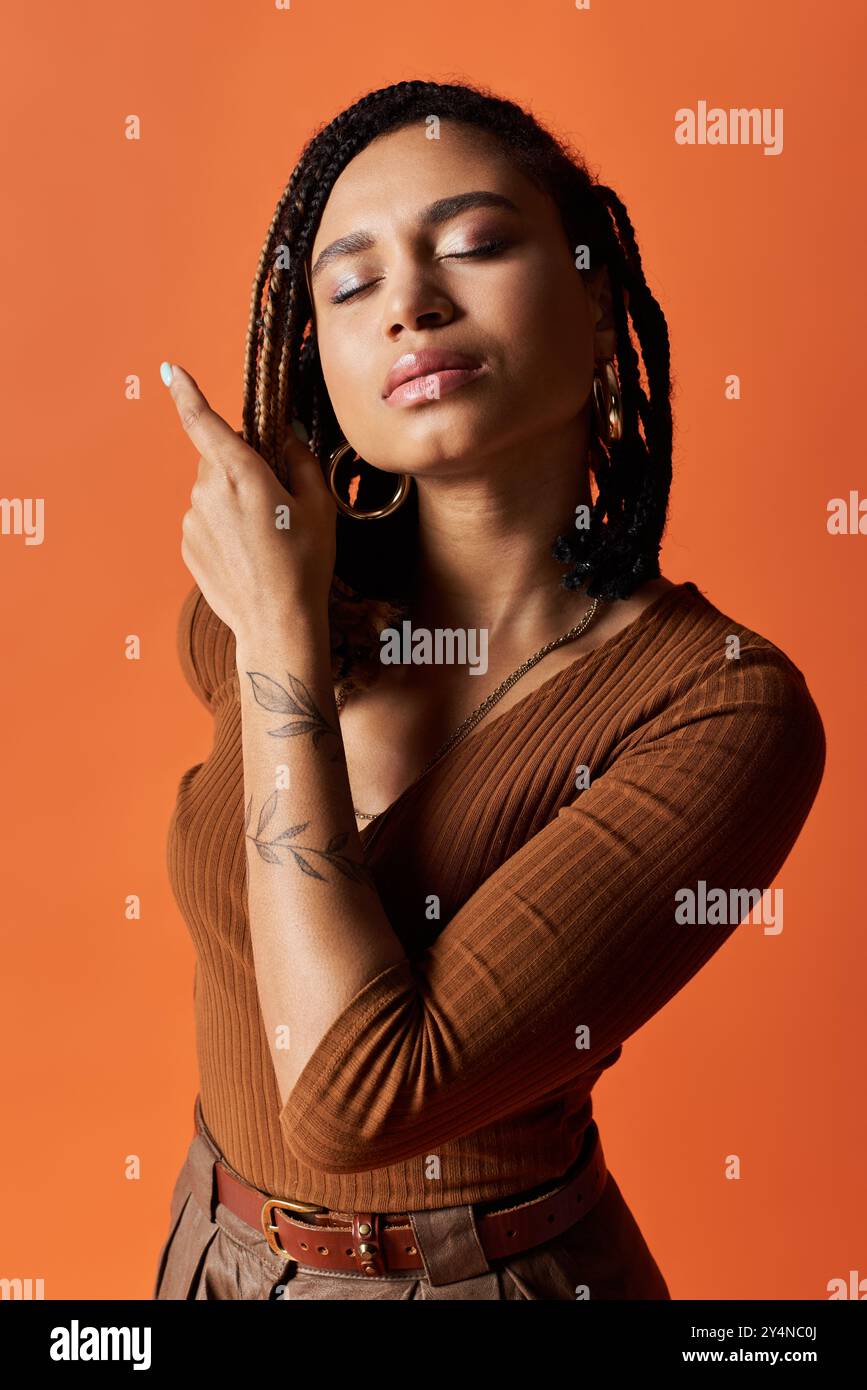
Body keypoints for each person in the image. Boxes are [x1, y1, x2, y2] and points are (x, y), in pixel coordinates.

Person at [152, 79, 825, 1300]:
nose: (409, 305)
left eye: (473, 245)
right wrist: (281, 618)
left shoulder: (718, 708)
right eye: (351, 284)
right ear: (325, 371)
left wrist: (283, 657)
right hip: (209, 1252)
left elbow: (359, 1100)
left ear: (597, 297)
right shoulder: (263, 600)